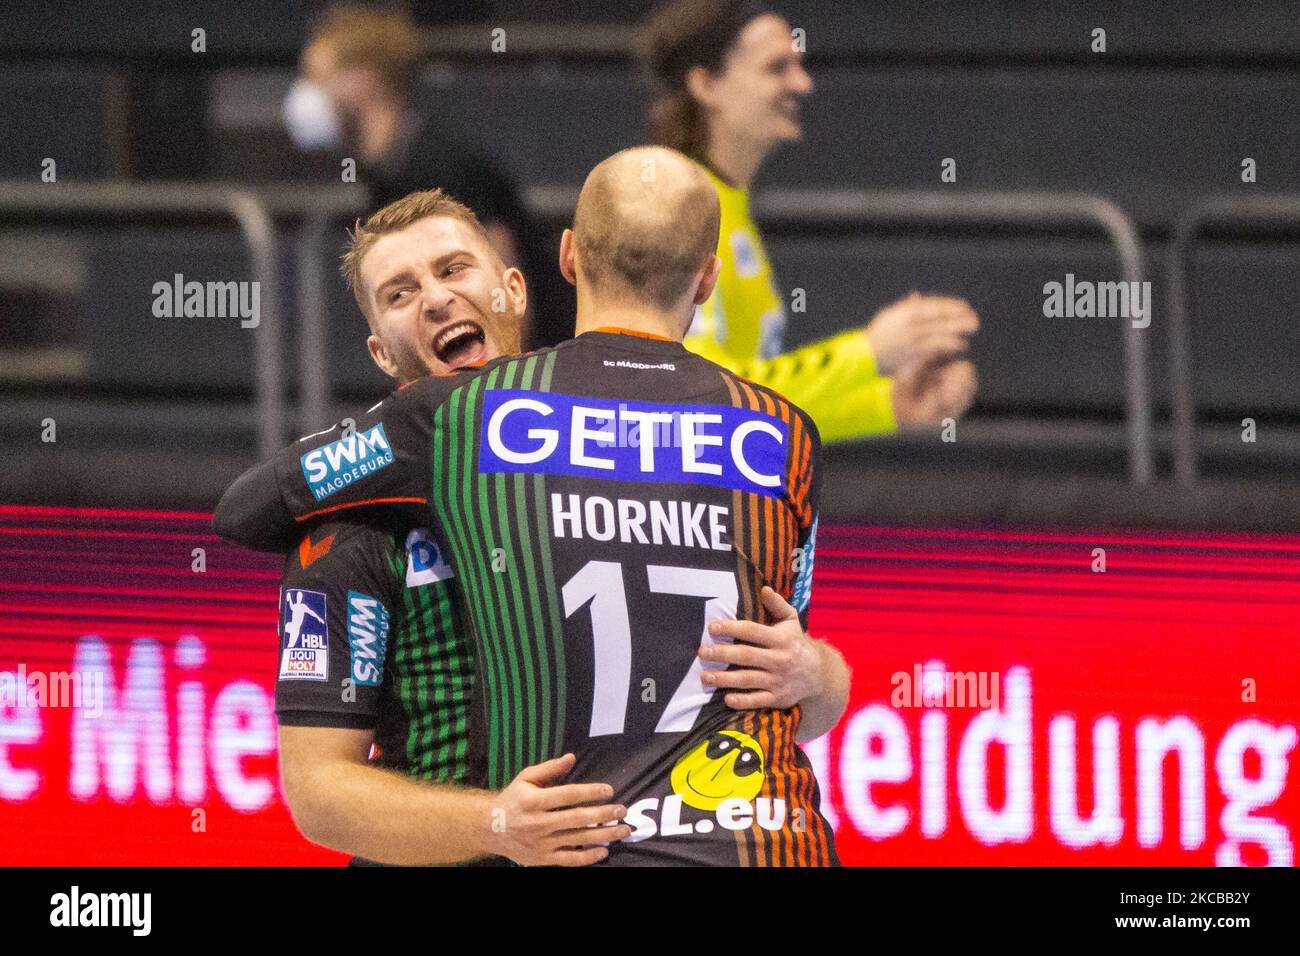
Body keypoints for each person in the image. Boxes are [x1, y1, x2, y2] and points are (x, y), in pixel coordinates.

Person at [215, 147, 845, 865]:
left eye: (454, 270)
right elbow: (318, 792)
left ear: (519, 287)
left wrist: (818, 673)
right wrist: (492, 825)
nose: (434, 298)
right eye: (398, 293)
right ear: (381, 353)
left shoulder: (619, 440)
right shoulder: (352, 526)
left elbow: (786, 694)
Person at [638, 0, 980, 442]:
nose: (803, 83)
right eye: (777, 68)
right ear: (707, 84)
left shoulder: (726, 203)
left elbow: (746, 411)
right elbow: (698, 395)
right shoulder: (675, 205)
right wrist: (869, 352)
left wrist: (889, 404)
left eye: (798, 65)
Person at [281, 3, 570, 348]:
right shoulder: (385, 173)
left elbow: (505, 296)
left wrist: (508, 390)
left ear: (362, 78)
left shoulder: (439, 166)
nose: (305, 95)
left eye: (315, 77)